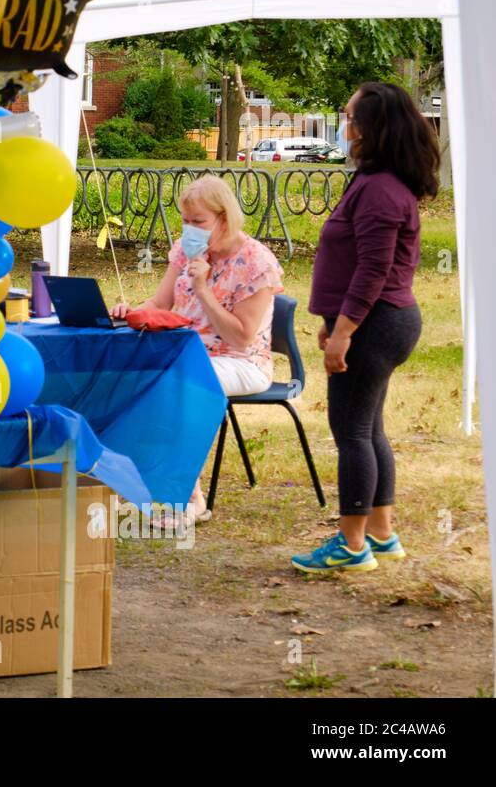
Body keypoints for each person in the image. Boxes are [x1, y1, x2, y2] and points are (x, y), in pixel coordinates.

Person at [291, 82, 437, 573]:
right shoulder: (375, 180)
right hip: (375, 321)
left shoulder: (379, 190)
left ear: (370, 127)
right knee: (368, 428)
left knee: (351, 431)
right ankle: (380, 533)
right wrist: (333, 320)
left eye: (349, 116)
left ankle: (352, 545)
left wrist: (345, 331)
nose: (344, 124)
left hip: (376, 323)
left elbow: (374, 269)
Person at [113, 175, 283, 524]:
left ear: (225, 218)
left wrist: (203, 289)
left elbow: (241, 337)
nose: (190, 229)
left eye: (199, 221)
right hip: (182, 352)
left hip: (239, 361)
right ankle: (125, 482)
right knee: (124, 375)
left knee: (179, 385)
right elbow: (160, 303)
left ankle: (189, 498)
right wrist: (132, 312)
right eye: (185, 220)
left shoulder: (257, 263)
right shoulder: (186, 250)